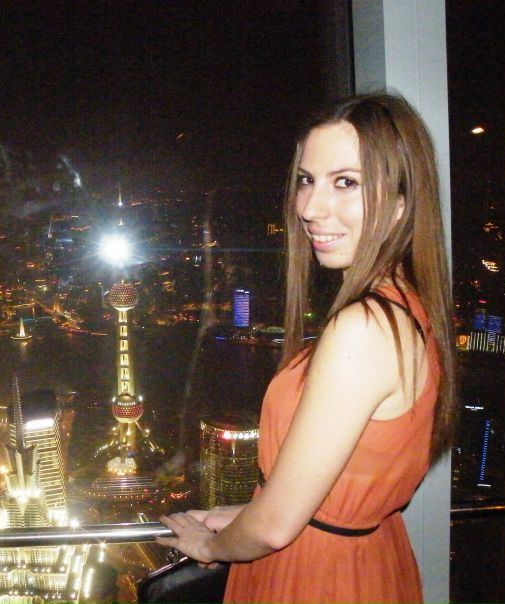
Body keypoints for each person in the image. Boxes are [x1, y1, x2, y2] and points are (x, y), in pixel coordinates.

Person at [157, 93, 456, 604]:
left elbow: (274, 529)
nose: (310, 208)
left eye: (346, 182)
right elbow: (340, 483)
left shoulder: (364, 327)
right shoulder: (411, 308)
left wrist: (211, 544)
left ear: (403, 201)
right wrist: (246, 514)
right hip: (365, 560)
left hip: (316, 577)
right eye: (306, 180)